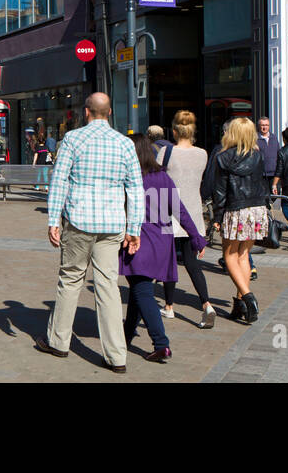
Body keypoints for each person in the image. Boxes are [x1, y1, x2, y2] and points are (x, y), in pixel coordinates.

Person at [35, 93, 142, 374]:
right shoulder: (124, 144)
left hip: (79, 220)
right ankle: (117, 356)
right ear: (109, 113)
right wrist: (134, 228)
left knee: (70, 280)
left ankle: (59, 341)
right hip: (111, 225)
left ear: (86, 112)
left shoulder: (72, 139)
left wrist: (53, 219)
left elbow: (59, 180)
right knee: (108, 287)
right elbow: (135, 189)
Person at [120, 136, 208, 363]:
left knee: (142, 291)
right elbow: (180, 210)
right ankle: (126, 336)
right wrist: (196, 237)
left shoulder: (132, 178)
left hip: (140, 239)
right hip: (163, 241)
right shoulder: (163, 177)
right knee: (139, 290)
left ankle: (161, 343)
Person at [160, 110, 215, 328]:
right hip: (193, 212)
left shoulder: (166, 152)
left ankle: (169, 306)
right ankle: (207, 304)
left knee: (169, 262)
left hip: (168, 212)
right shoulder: (202, 153)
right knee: (193, 264)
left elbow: (157, 180)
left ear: (174, 130)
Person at [214, 117, 268, 323]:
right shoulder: (258, 156)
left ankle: (248, 297)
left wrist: (217, 217)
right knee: (244, 255)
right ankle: (240, 304)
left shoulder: (223, 157)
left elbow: (220, 191)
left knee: (229, 256)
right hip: (256, 208)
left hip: (235, 209)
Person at [256, 117, 280, 183]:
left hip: (274, 175)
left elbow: (278, 154)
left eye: (266, 125)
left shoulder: (274, 138)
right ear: (259, 126)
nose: (265, 127)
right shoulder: (254, 139)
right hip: (260, 175)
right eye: (262, 125)